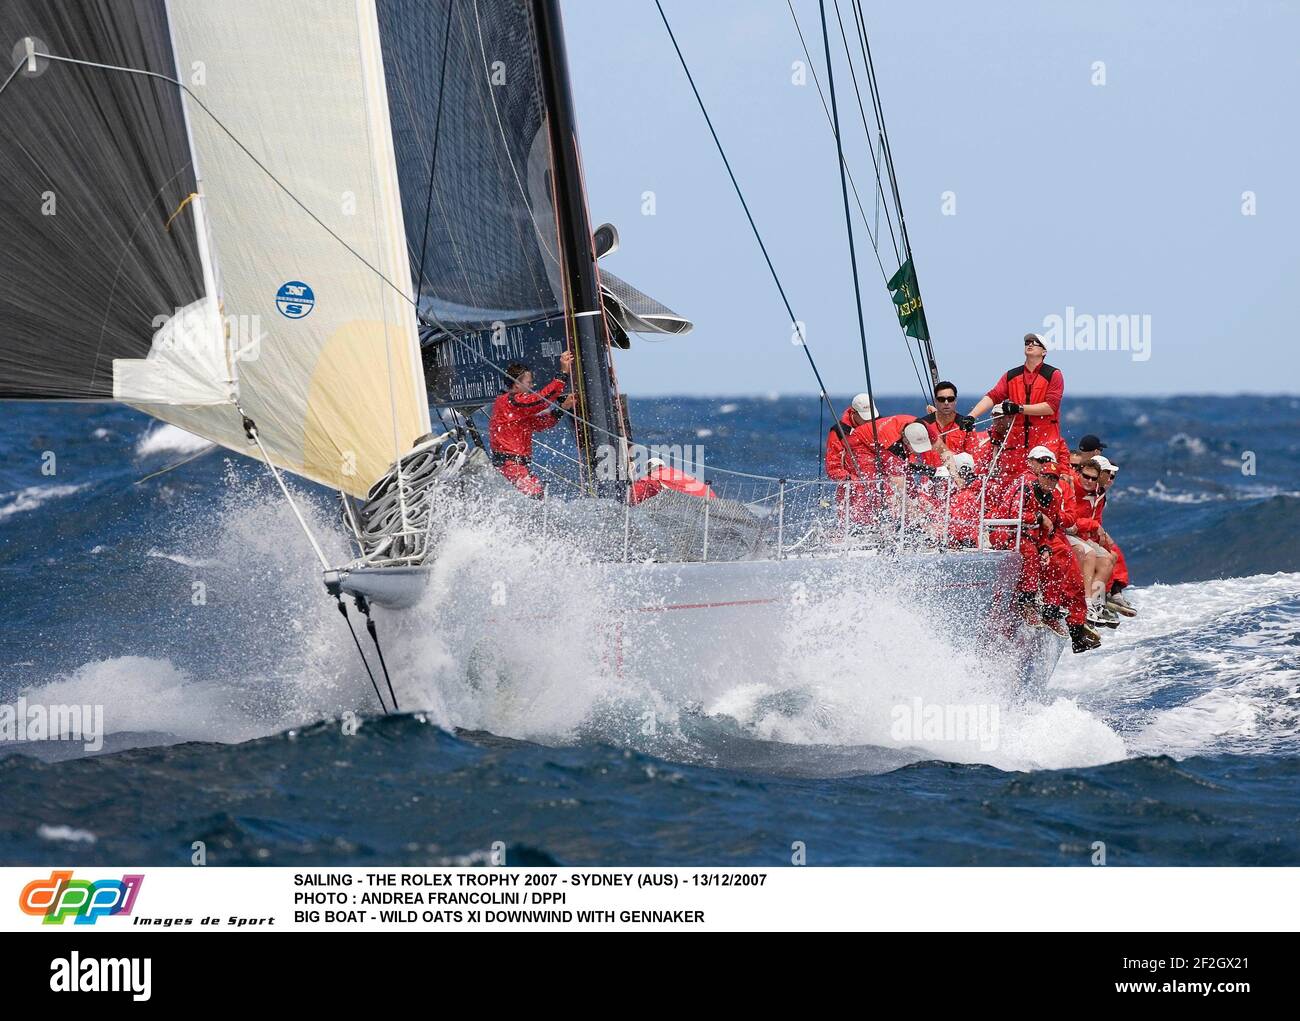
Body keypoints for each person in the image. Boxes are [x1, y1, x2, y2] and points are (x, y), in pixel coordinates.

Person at [966, 333, 1064, 477]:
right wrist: (971, 416)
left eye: (1035, 342)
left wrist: (1019, 408)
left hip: (1044, 443)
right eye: (1027, 342)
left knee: (1041, 485)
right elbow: (993, 396)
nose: (1030, 344)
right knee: (1011, 487)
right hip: (1015, 444)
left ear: (1044, 352)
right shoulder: (1011, 375)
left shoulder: (1054, 374)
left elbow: (1050, 407)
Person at [487, 351, 575, 497]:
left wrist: (562, 408)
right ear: (516, 384)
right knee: (536, 500)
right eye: (529, 383)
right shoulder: (512, 402)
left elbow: (540, 423)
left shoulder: (512, 407)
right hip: (512, 466)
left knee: (539, 500)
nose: (532, 385)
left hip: (516, 466)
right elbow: (541, 400)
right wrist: (563, 373)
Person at [922, 380, 978, 462]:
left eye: (950, 399)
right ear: (935, 401)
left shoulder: (966, 425)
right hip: (930, 473)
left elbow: (973, 457)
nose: (946, 402)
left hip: (957, 472)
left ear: (955, 401)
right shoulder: (924, 424)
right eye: (941, 399)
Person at [629, 457, 716, 504]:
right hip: (713, 502)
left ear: (648, 471)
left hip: (695, 505)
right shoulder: (678, 473)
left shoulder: (654, 477)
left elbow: (636, 494)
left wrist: (628, 500)